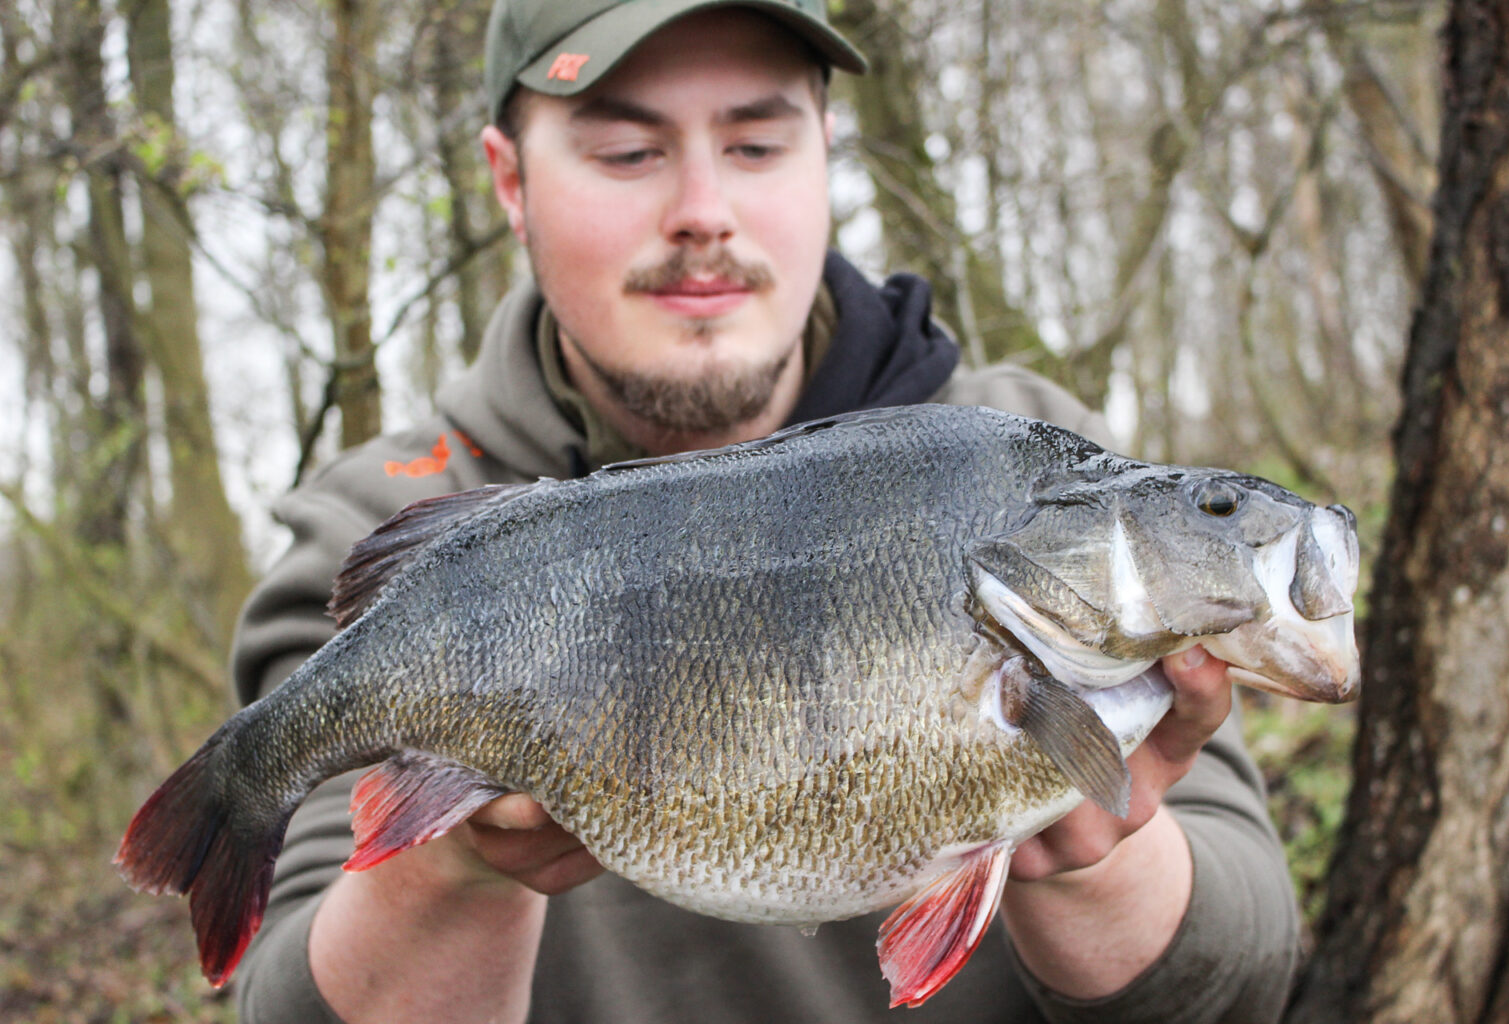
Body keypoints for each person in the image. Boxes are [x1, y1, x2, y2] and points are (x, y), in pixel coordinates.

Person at [230, 1, 1300, 1021]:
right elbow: (282, 996)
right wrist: (452, 868)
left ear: (825, 152)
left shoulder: (1049, 478)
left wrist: (1100, 855)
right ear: (510, 181)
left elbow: (1250, 979)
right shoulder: (378, 524)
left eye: (755, 144)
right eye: (627, 151)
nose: (703, 210)